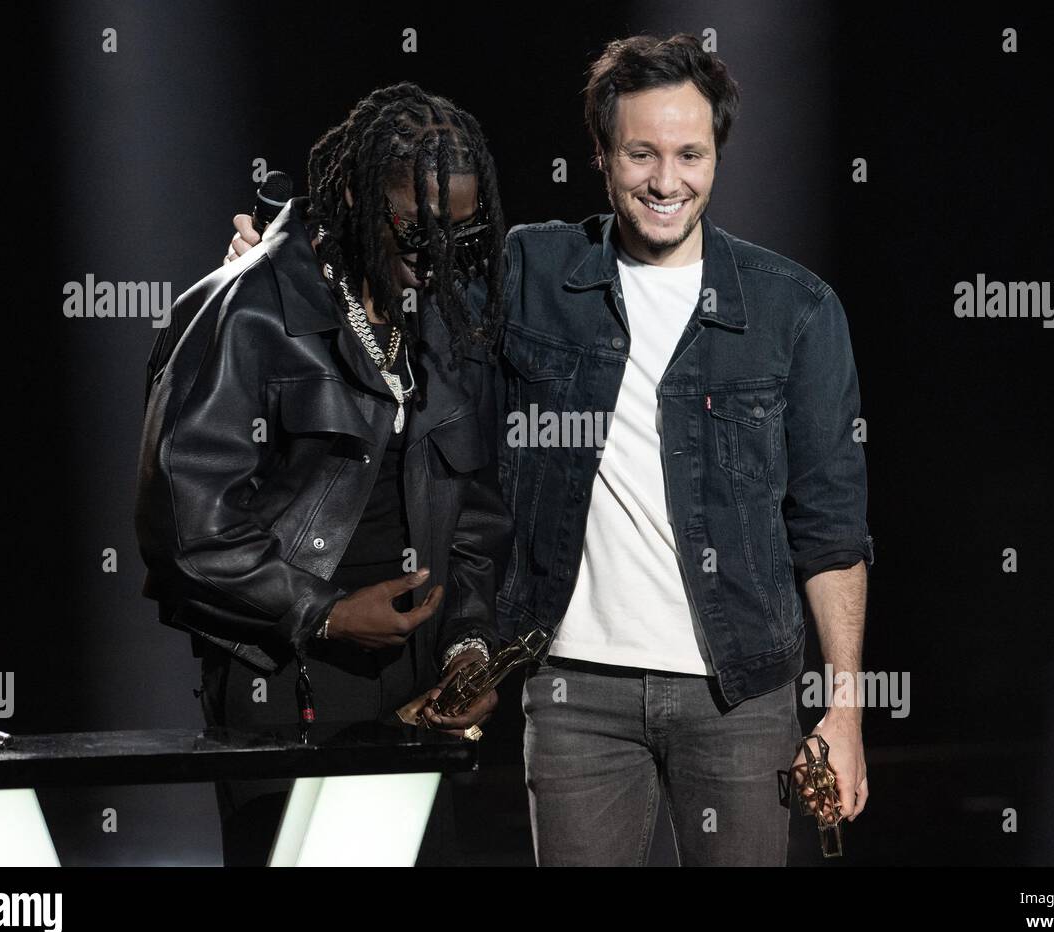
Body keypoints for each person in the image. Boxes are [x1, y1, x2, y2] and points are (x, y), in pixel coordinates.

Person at [227, 36, 873, 867]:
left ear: (717, 153)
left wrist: (846, 712)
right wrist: (286, 268)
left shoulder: (797, 311)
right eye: (641, 153)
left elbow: (832, 533)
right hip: (573, 693)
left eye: (690, 154)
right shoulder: (531, 268)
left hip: (742, 695)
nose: (666, 181)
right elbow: (397, 284)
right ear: (601, 157)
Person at [137, 83, 513, 866]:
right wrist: (325, 614)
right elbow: (184, 527)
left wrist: (469, 647)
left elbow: (473, 509)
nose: (435, 257)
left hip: (414, 677)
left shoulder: (440, 313)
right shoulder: (248, 310)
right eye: (417, 229)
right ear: (353, 192)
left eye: (458, 235)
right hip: (287, 669)